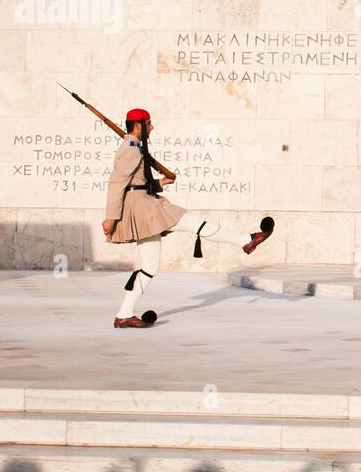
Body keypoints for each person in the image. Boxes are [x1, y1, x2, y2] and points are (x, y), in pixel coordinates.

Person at [104, 108, 274, 328]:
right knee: (191, 221)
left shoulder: (134, 147)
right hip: (145, 207)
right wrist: (110, 217)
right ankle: (244, 240)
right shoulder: (131, 149)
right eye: (149, 123)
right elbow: (117, 183)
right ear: (138, 125)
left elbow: (136, 182)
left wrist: (159, 184)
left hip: (143, 202)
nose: (152, 127)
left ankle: (124, 314)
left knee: (149, 266)